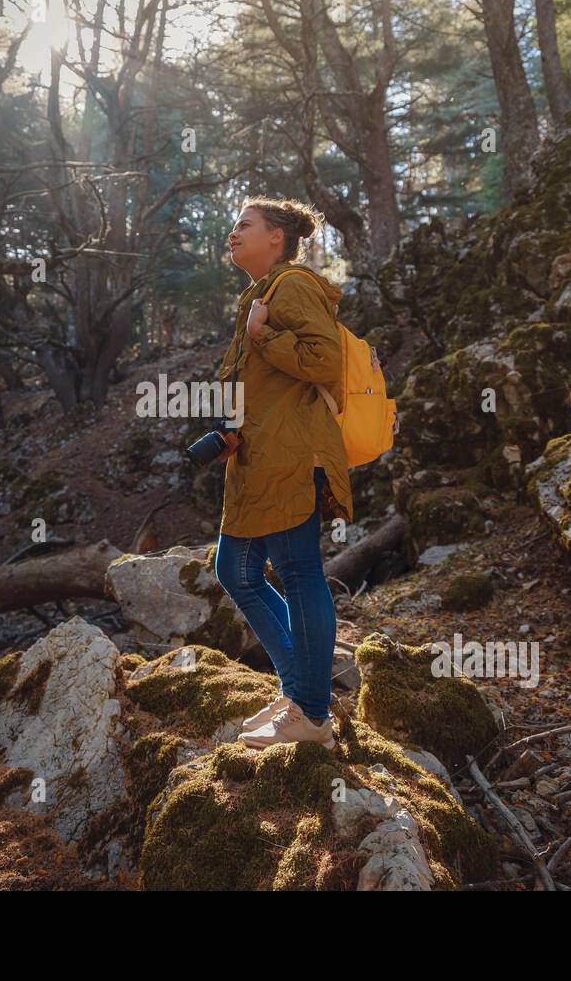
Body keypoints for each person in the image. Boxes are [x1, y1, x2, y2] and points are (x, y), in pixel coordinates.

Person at [212, 196, 354, 751]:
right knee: (237, 571)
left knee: (297, 574)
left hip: (293, 457)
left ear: (276, 236)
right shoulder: (260, 294)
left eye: (244, 225)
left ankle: (312, 715)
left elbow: (325, 362)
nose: (233, 233)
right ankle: (301, 692)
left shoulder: (292, 285)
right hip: (258, 458)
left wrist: (263, 335)